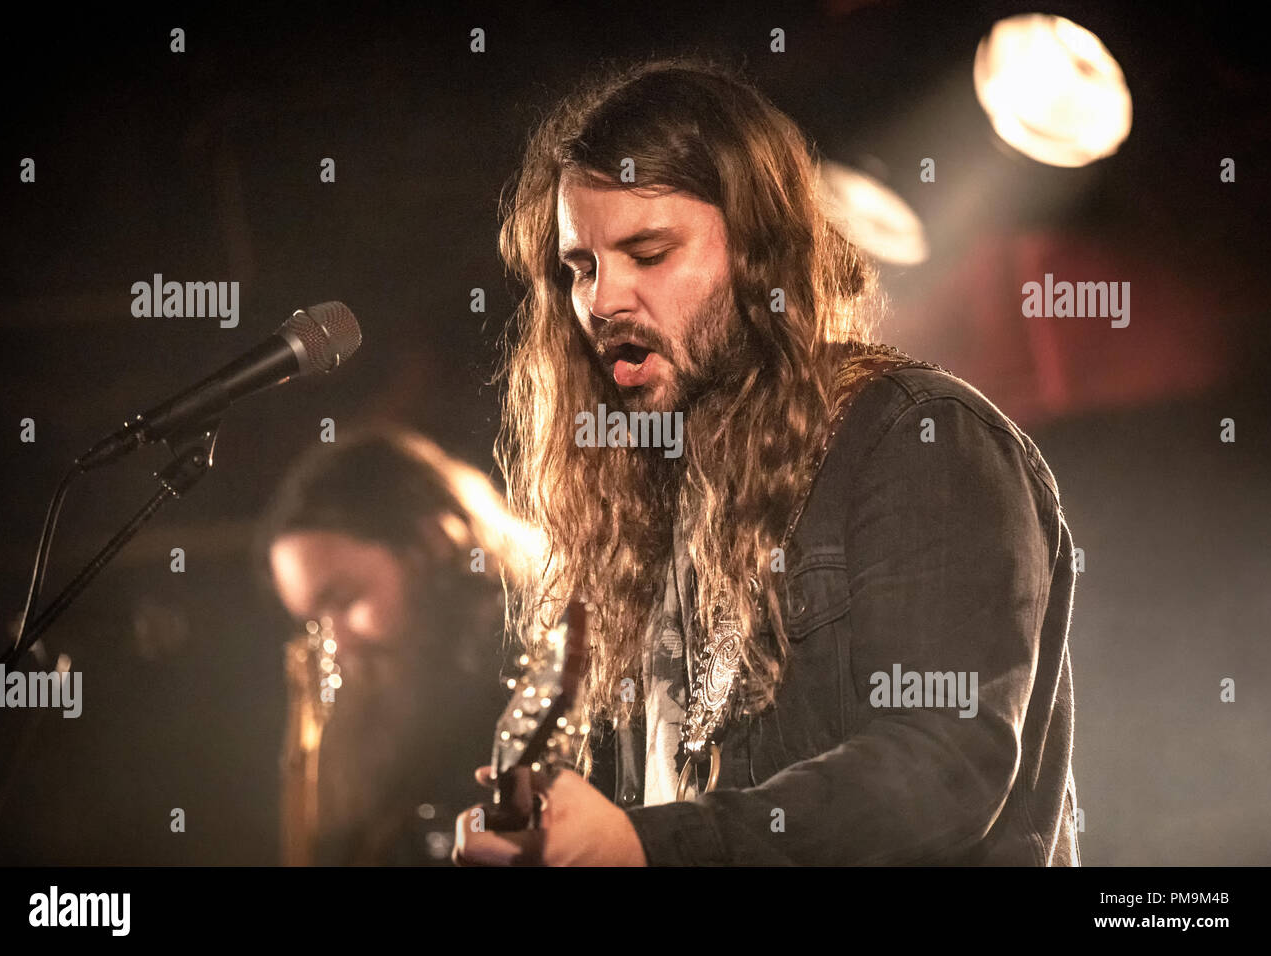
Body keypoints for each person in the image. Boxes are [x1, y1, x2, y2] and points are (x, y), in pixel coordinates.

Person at [452, 58, 1080, 866]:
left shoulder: (919, 438)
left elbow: (944, 765)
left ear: (759, 253)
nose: (602, 302)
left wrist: (648, 847)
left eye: (647, 253)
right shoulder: (650, 499)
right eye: (580, 268)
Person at [259, 426, 537, 864]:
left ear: (430, 542)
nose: (337, 643)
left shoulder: (546, 667)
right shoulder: (379, 721)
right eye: (313, 623)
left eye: (345, 599)